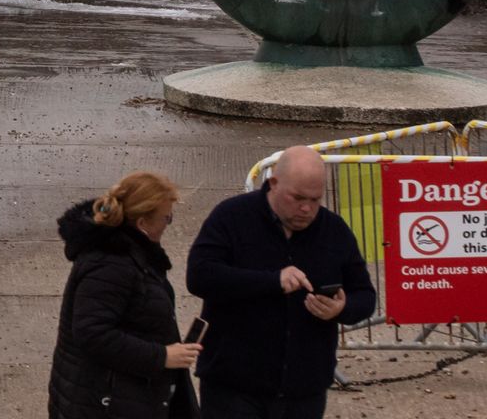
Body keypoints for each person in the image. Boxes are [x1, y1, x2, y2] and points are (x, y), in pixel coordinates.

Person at [185, 146, 376, 418]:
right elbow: (200, 276)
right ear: (273, 183)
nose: (306, 209)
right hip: (234, 385)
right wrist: (272, 281)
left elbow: (365, 295)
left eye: (315, 199)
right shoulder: (232, 216)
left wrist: (342, 310)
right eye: (297, 198)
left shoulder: (333, 230)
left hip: (304, 390)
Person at [48, 172, 200, 419]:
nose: (167, 224)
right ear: (142, 224)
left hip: (120, 397)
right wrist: (161, 356)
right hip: (105, 403)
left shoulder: (131, 255)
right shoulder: (112, 264)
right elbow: (92, 332)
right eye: (166, 218)